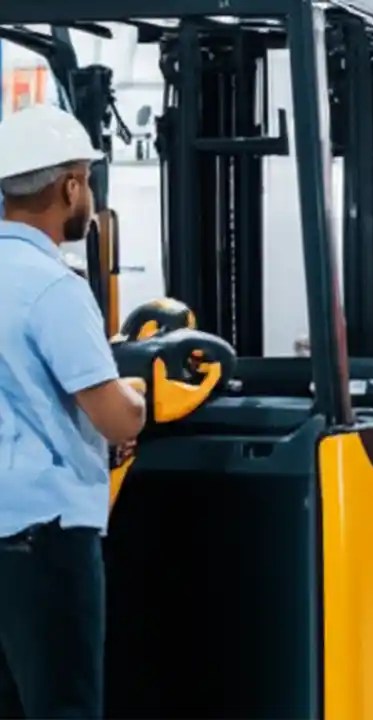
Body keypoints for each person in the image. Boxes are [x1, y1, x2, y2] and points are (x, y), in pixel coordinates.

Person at [0, 104, 147, 718]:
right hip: (46, 538)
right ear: (69, 187)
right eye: (86, 180)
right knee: (64, 707)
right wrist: (136, 394)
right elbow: (115, 418)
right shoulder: (54, 286)